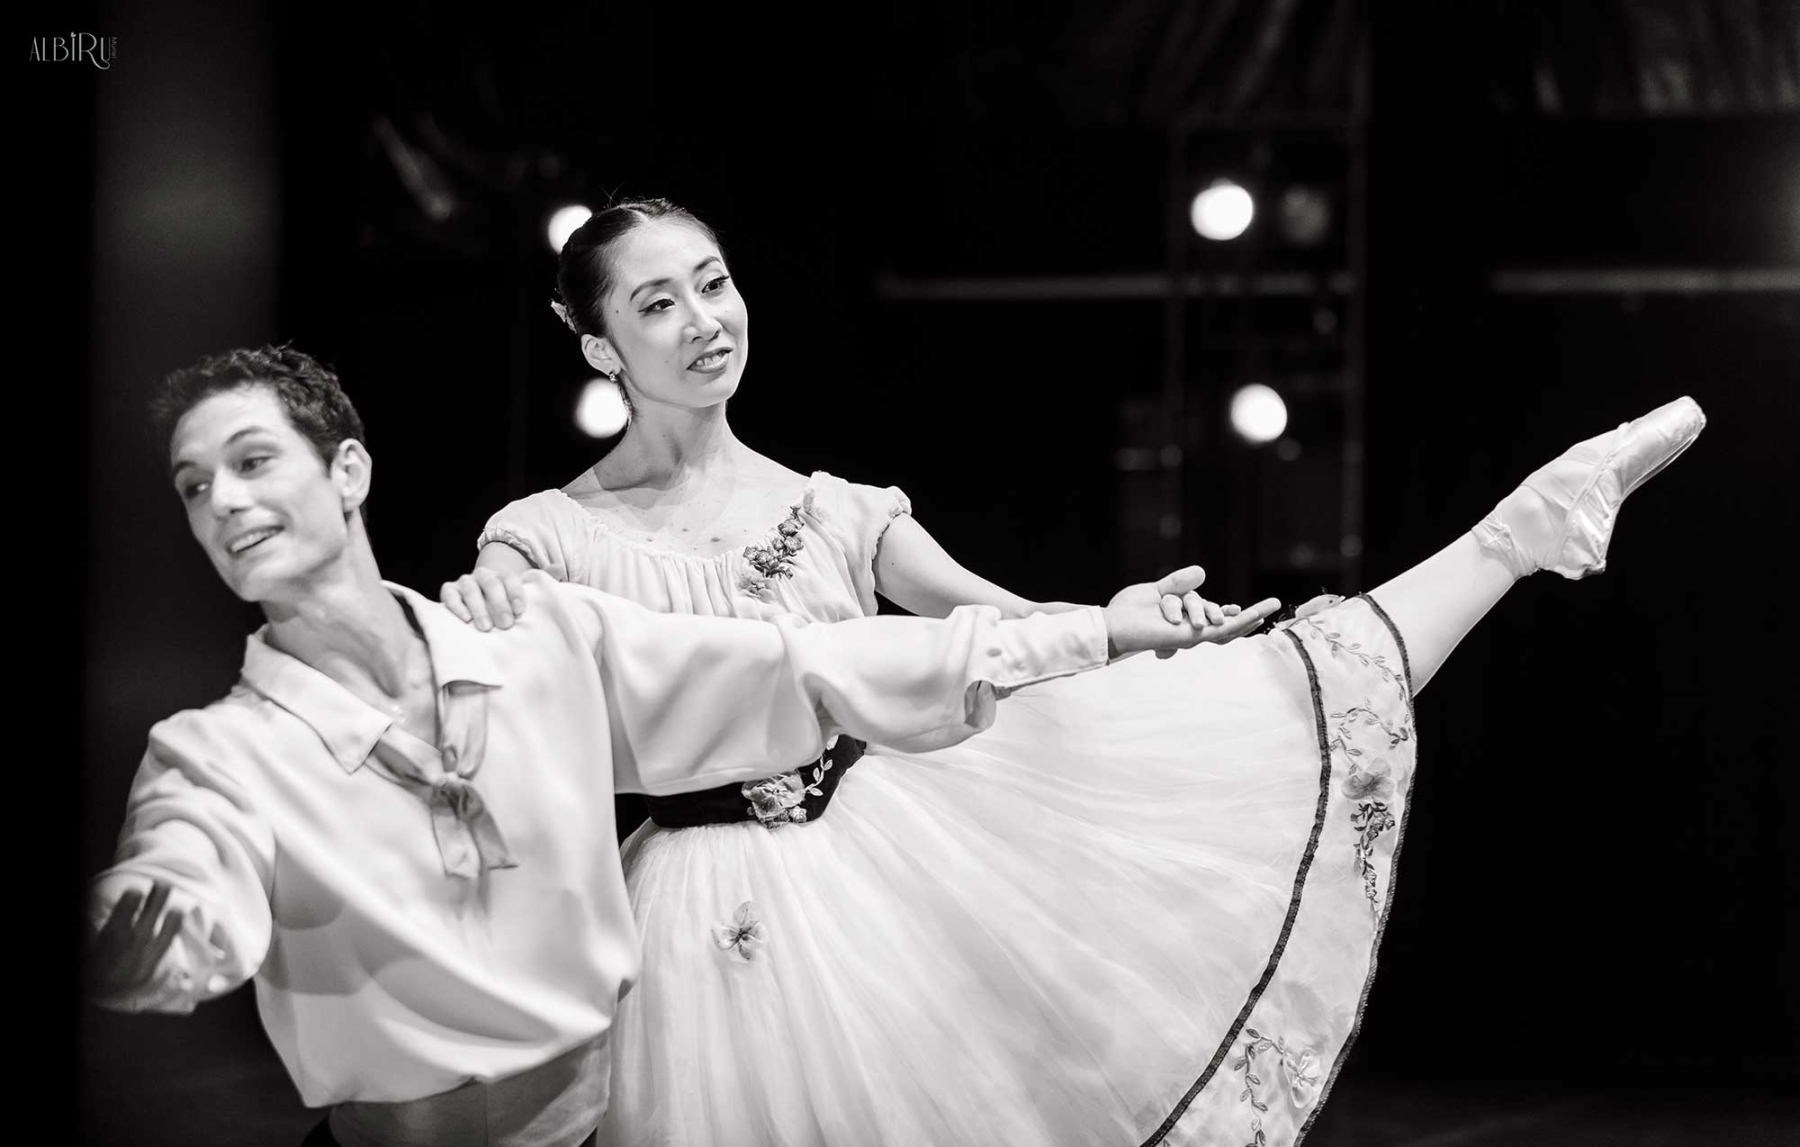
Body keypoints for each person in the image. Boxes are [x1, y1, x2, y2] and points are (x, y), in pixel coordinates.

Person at [445, 199, 1706, 1147]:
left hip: (877, 873)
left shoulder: (837, 509)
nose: (704, 320)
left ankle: (1509, 537)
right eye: (657, 304)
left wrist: (1118, 622)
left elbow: (1001, 625)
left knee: (1236, 711)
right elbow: (490, 652)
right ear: (599, 346)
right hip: (685, 909)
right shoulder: (547, 533)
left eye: (714, 283)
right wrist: (484, 597)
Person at [86, 345, 1273, 1147]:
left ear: (346, 469)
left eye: (252, 461)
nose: (223, 502)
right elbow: (183, 882)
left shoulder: (547, 647)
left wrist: (1092, 629)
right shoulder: (216, 755)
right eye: (193, 486)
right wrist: (151, 937)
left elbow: (816, 663)